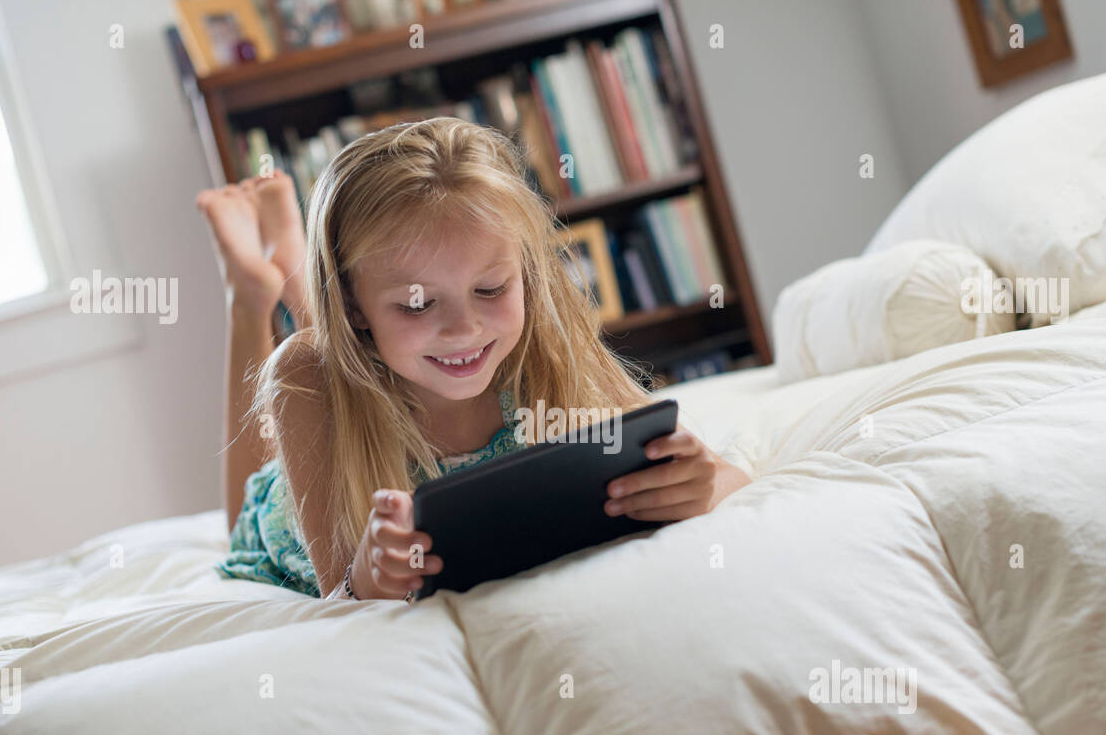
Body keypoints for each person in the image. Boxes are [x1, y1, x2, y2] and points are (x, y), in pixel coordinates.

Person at [194, 116, 750, 602]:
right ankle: (250, 294)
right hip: (291, 500)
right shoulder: (306, 378)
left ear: (525, 274)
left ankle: (292, 265)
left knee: (364, 352)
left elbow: (726, 473)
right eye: (418, 302)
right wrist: (367, 578)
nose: (465, 329)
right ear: (350, 304)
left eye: (490, 290)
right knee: (308, 377)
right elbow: (340, 592)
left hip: (364, 339)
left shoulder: (545, 336)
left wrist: (704, 482)